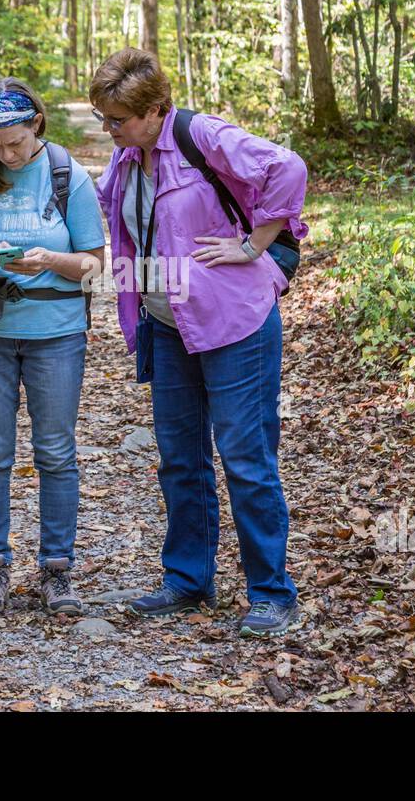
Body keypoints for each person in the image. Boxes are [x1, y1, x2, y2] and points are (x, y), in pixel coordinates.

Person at [89, 47, 308, 637]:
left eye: (117, 120)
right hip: (169, 326)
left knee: (246, 459)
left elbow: (287, 166)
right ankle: (189, 581)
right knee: (181, 460)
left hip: (233, 322)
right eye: (103, 117)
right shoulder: (128, 159)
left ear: (156, 109)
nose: (107, 130)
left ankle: (271, 593)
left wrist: (254, 244)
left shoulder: (200, 134)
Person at [0, 79, 106, 616]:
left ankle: (57, 570)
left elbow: (94, 263)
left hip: (55, 336)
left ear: (36, 123)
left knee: (55, 451)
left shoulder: (66, 176)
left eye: (15, 141)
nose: (6, 154)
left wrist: (50, 262)